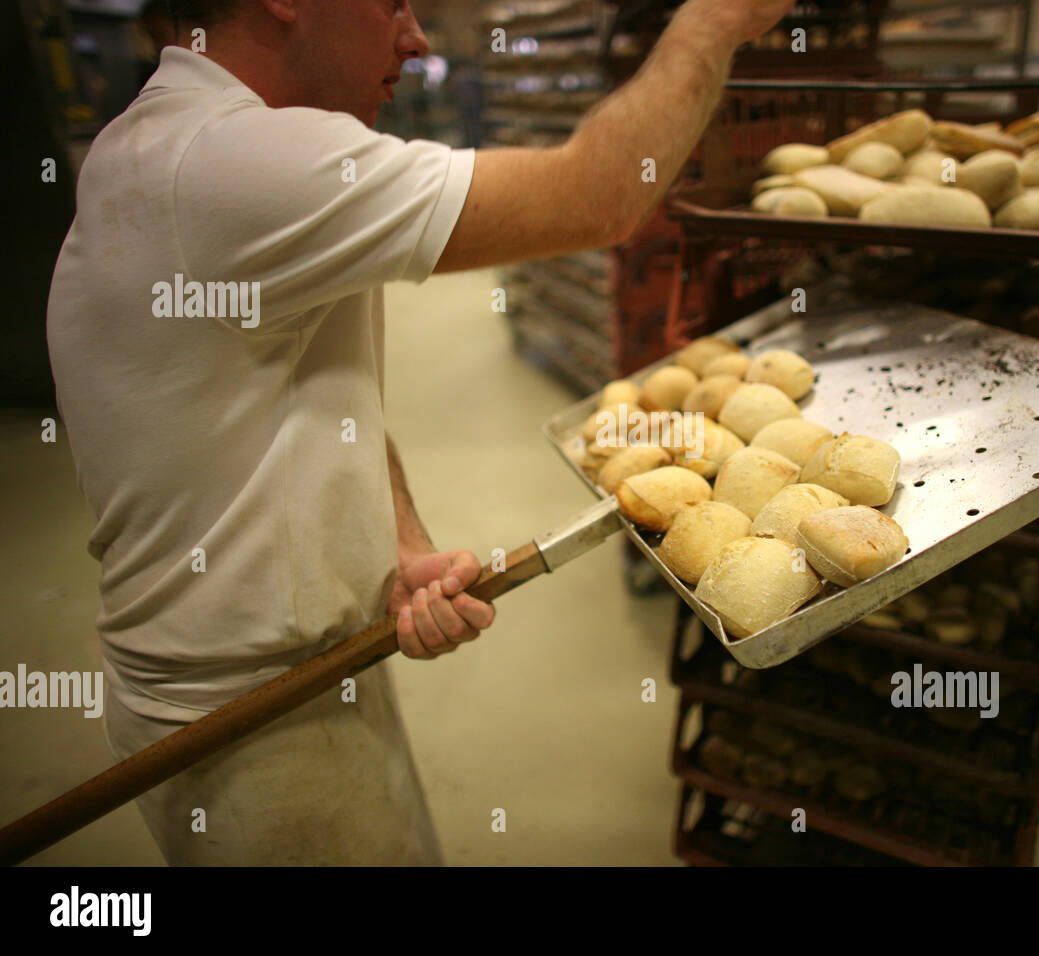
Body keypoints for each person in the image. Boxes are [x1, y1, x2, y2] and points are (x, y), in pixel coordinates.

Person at [45, 0, 795, 865]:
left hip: (286, 681)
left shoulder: (166, 142)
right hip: (248, 722)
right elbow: (601, 195)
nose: (419, 36)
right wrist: (712, 24)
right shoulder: (227, 162)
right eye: (392, 1)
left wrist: (393, 543)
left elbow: (320, 389)